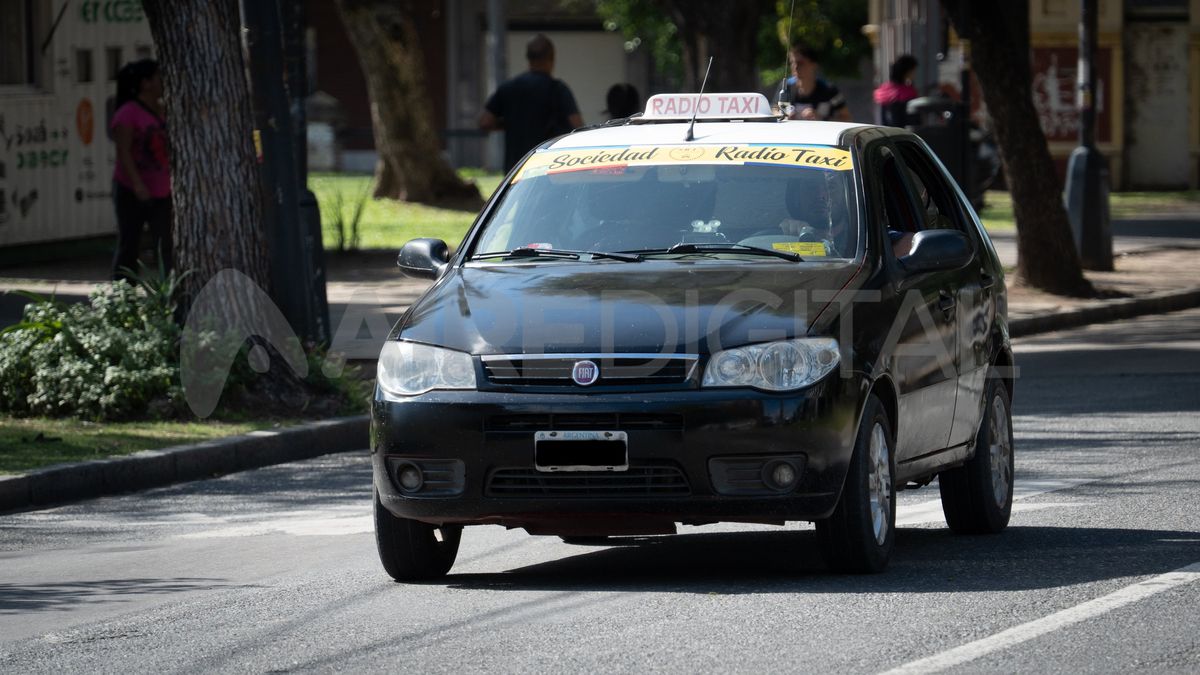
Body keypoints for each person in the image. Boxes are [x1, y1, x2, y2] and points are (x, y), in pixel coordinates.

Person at [479, 34, 583, 172]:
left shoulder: (508, 88)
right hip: (550, 166)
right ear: (552, 58)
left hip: (516, 169)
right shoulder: (557, 89)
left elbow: (485, 122)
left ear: (528, 58)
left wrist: (510, 122)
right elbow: (578, 127)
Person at [110, 58, 171, 281]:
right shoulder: (128, 113)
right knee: (129, 243)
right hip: (131, 188)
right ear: (146, 83)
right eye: (158, 77)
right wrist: (137, 184)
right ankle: (124, 296)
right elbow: (123, 151)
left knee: (166, 244)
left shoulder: (165, 109)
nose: (162, 81)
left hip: (163, 188)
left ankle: (170, 293)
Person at [787, 43, 851, 121]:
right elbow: (774, 109)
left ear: (814, 65)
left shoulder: (830, 91)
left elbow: (846, 118)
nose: (795, 67)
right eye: (792, 63)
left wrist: (821, 119)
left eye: (800, 63)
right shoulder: (786, 87)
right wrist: (784, 115)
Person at [874, 54, 919, 127]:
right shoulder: (908, 92)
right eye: (914, 70)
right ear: (907, 71)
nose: (915, 74)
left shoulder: (883, 90)